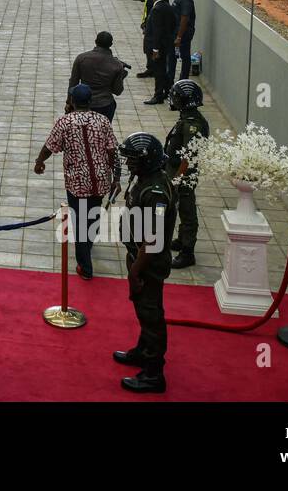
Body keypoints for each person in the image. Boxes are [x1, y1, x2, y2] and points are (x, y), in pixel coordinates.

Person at [33, 84, 120, 279]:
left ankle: (85, 267)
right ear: (90, 101)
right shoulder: (103, 121)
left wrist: (39, 162)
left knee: (80, 222)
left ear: (72, 101)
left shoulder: (64, 122)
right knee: (93, 215)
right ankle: (87, 244)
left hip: (77, 182)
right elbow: (113, 151)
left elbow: (49, 147)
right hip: (100, 179)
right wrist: (116, 178)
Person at [114, 132, 175, 393]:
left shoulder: (156, 192)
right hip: (139, 256)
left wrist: (135, 271)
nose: (128, 165)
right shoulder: (147, 179)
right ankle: (143, 350)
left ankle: (153, 373)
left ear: (147, 161)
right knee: (143, 310)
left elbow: (154, 239)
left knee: (151, 315)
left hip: (148, 262)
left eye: (133, 161)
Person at [164, 80, 209, 269]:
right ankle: (182, 239)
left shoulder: (193, 125)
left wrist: (177, 179)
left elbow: (188, 157)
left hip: (184, 173)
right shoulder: (187, 118)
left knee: (187, 208)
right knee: (181, 205)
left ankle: (187, 251)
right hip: (176, 169)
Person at [68, 31, 127, 121]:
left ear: (95, 41)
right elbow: (117, 91)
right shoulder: (116, 64)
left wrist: (69, 102)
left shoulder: (81, 58)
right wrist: (122, 75)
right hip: (105, 105)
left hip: (83, 104)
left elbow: (73, 82)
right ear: (111, 44)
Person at [120, 0, 160, 78]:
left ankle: (153, 69)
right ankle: (151, 68)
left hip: (153, 28)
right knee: (147, 48)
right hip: (147, 27)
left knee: (151, 48)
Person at [144, 0, 177, 106]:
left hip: (158, 46)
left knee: (158, 71)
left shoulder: (156, 9)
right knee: (163, 70)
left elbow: (157, 30)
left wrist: (155, 49)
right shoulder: (169, 7)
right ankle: (168, 92)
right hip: (166, 44)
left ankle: (158, 95)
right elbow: (174, 24)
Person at [171, 0, 197, 85]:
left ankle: (183, 79)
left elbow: (184, 19)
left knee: (185, 56)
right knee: (176, 55)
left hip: (184, 33)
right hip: (178, 32)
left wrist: (179, 37)